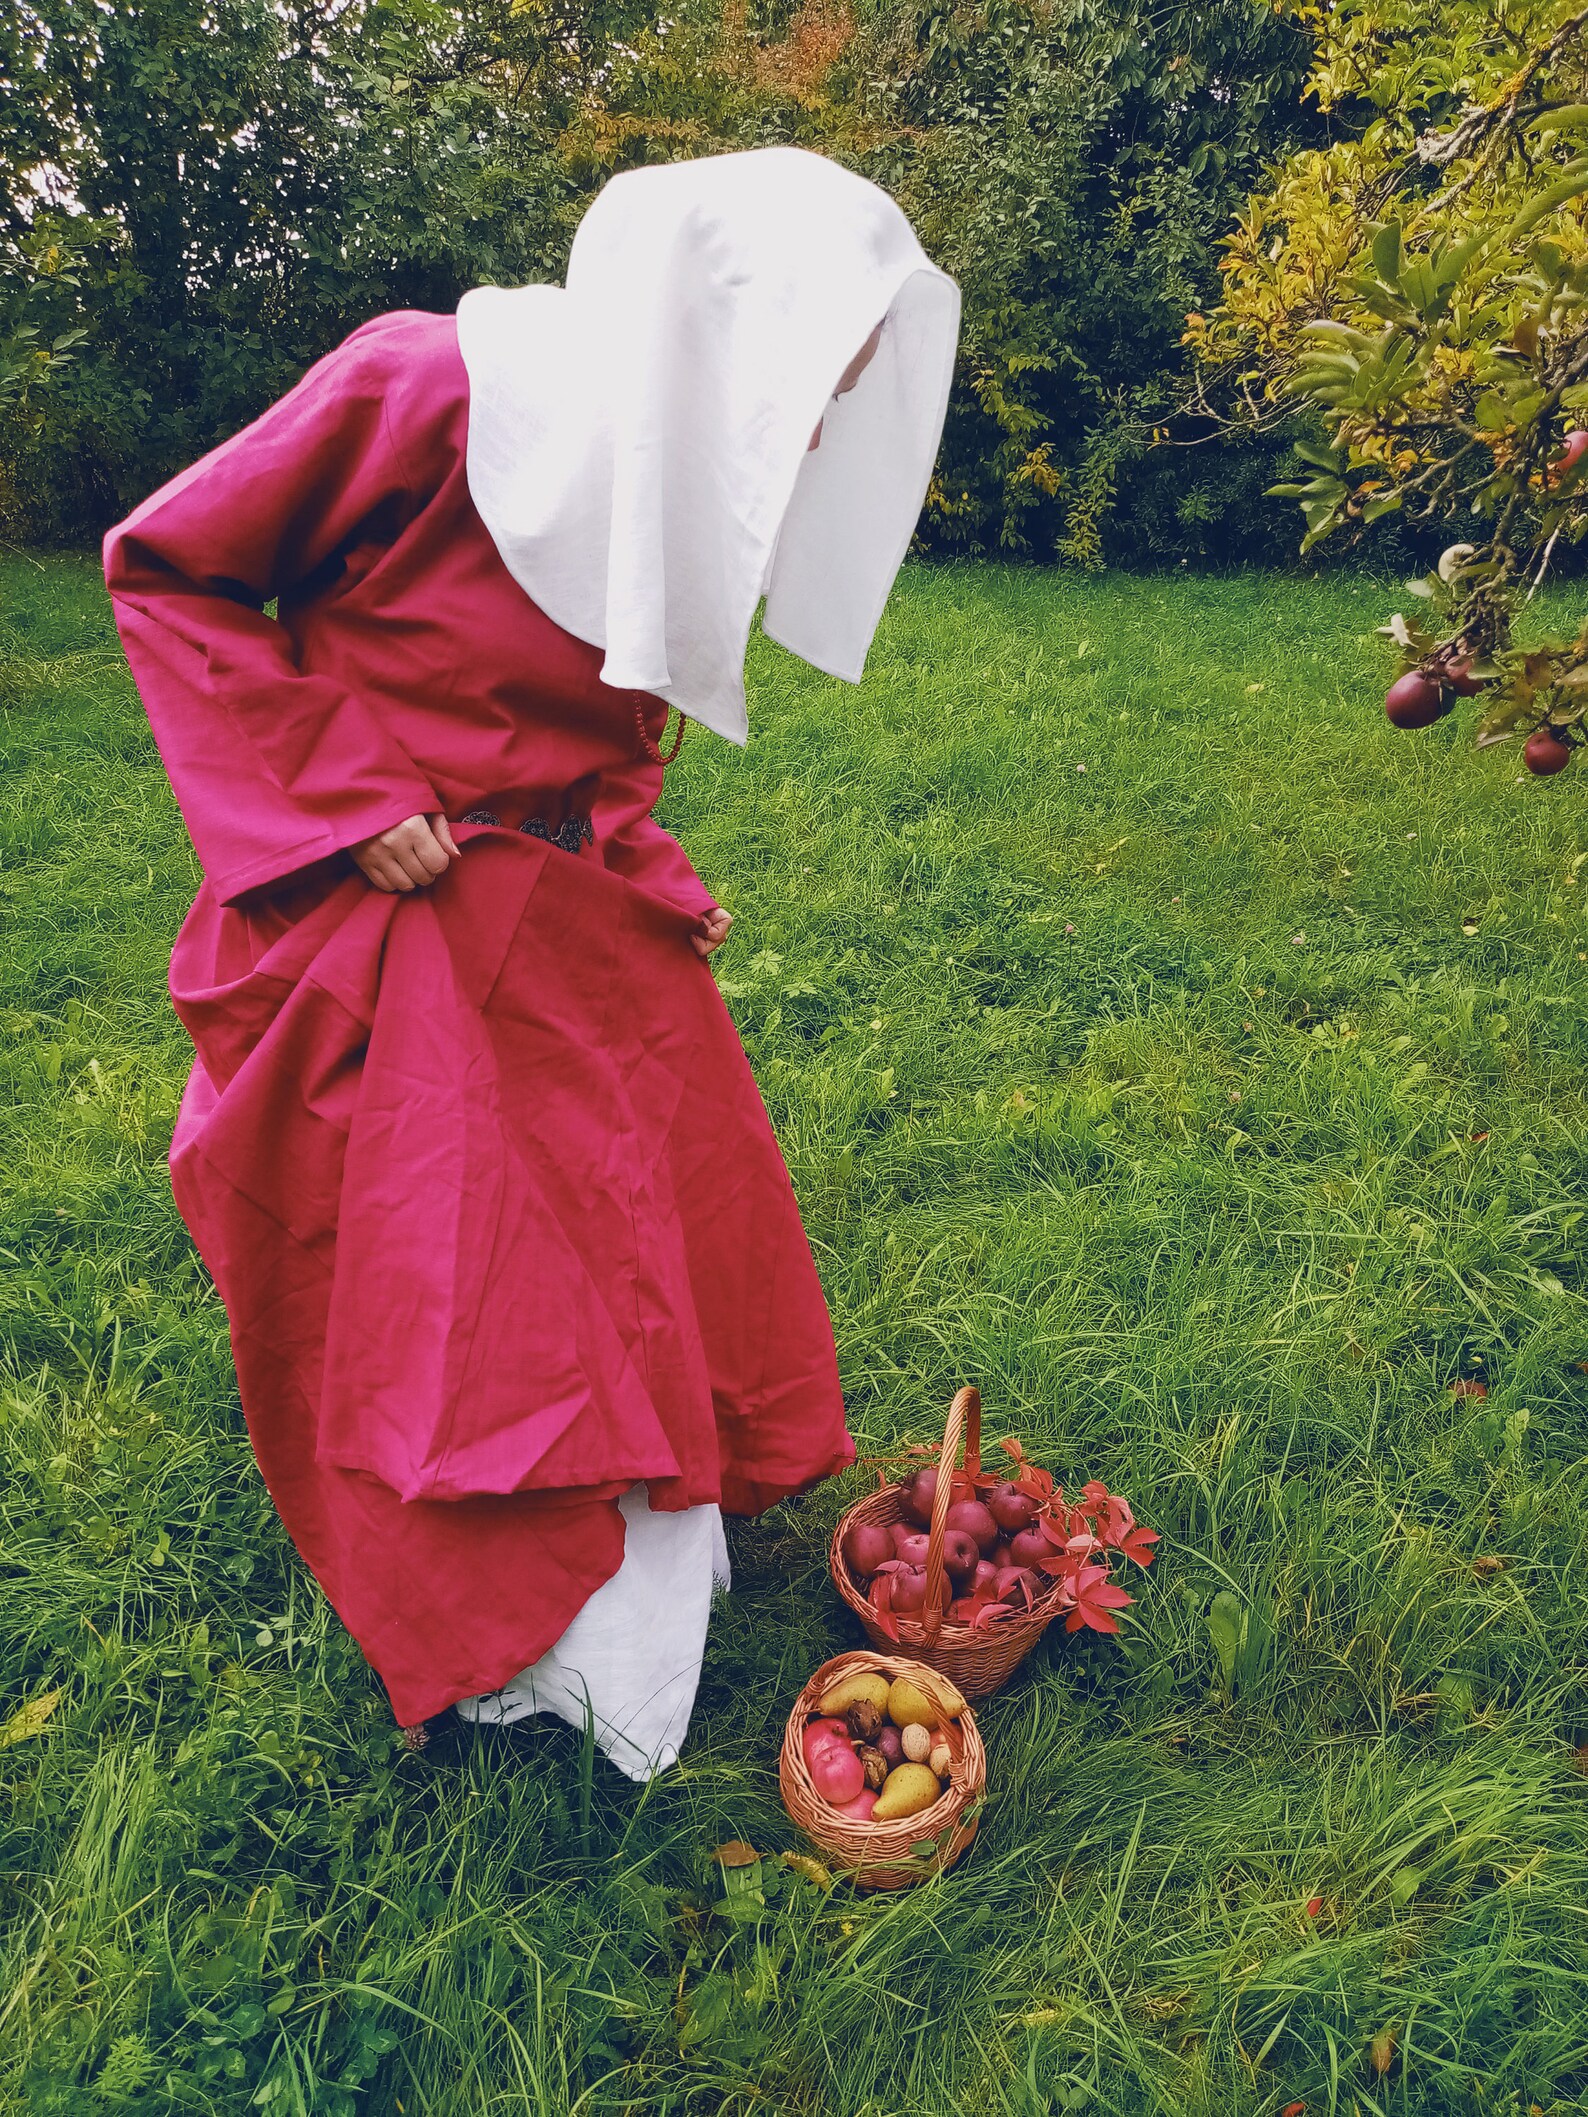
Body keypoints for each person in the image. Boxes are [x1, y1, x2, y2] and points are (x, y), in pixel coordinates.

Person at [103, 146, 961, 1778]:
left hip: (555, 926)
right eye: (810, 376)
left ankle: (628, 1580)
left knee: (645, 1241)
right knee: (472, 1295)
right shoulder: (421, 385)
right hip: (376, 934)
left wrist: (641, 859)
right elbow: (171, 570)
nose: (818, 421)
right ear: (717, 323)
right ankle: (517, 1631)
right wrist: (350, 794)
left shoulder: (658, 471)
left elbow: (599, 735)